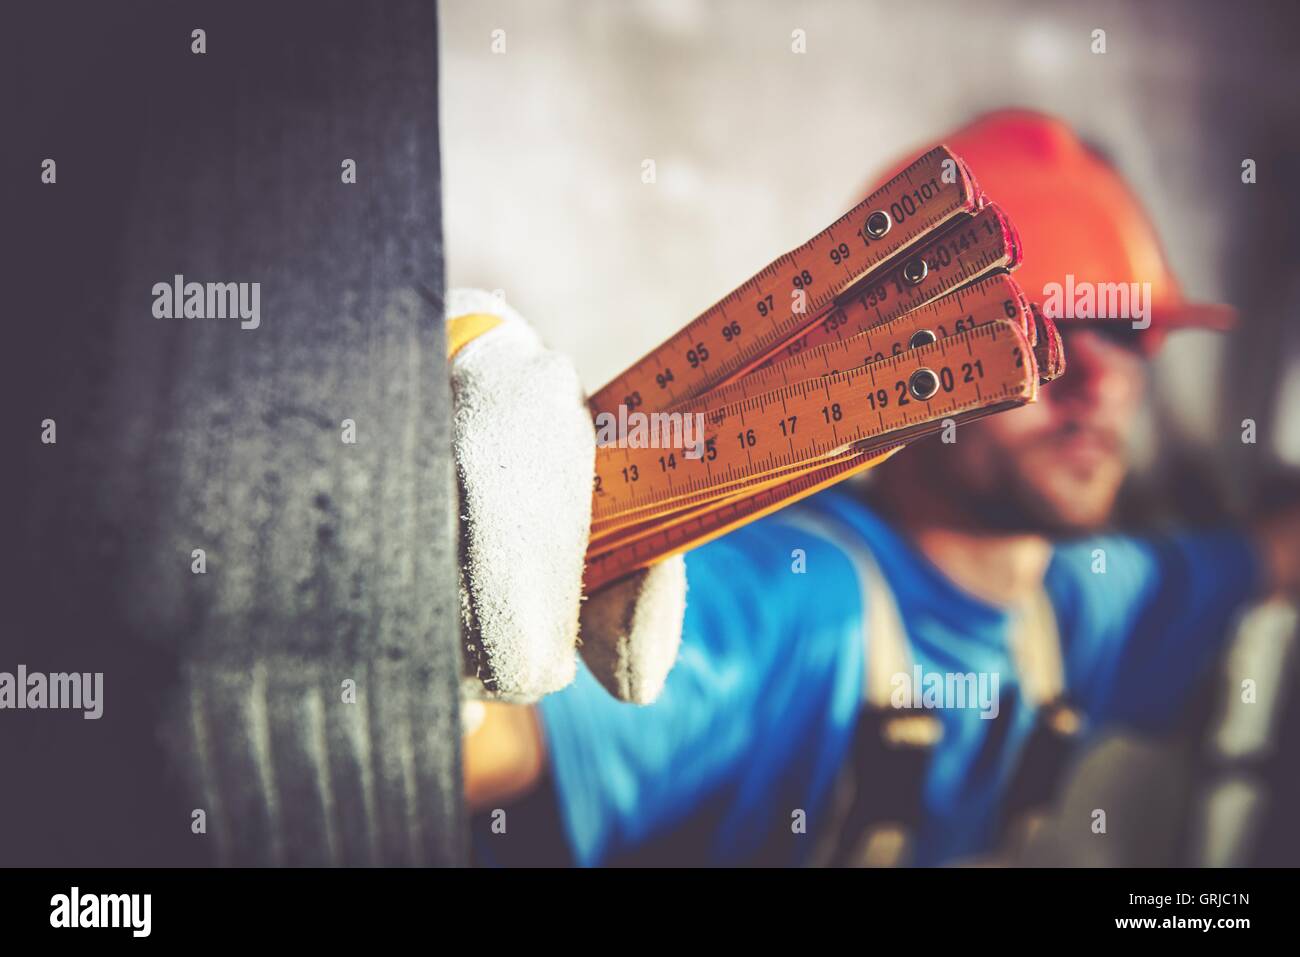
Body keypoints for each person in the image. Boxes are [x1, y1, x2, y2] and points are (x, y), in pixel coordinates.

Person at [459, 110, 1300, 866]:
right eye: (1036, 326)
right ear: (883, 354)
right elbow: (487, 746)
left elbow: (1264, 556)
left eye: (1127, 330)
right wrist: (444, 670)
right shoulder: (789, 600)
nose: (1097, 380)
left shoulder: (1084, 605)